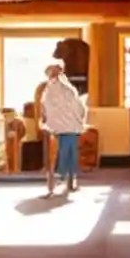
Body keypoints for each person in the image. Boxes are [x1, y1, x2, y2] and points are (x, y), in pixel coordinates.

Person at [39, 62, 87, 197]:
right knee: (66, 153)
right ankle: (66, 179)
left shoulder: (64, 87)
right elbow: (48, 105)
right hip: (63, 127)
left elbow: (74, 103)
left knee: (68, 153)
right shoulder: (56, 87)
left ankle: (68, 179)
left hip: (67, 126)